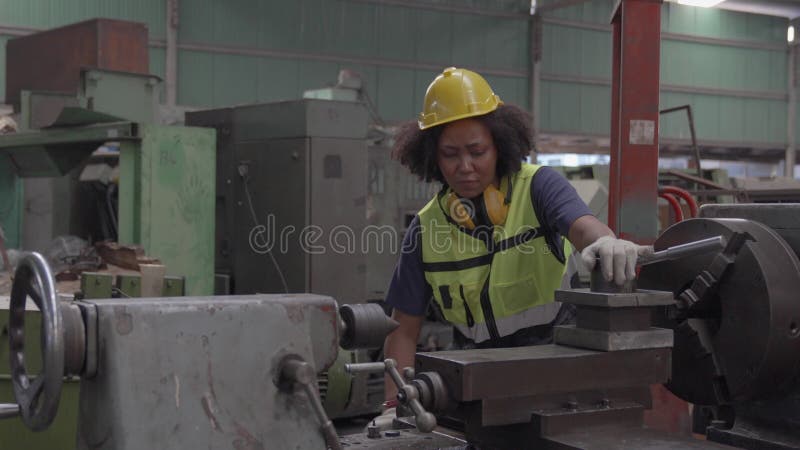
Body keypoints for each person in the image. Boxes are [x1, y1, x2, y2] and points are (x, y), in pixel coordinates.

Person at [375, 67, 652, 426]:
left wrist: (605, 241)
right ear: (431, 156)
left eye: (478, 151)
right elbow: (404, 329)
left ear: (500, 144)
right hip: (476, 378)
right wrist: (393, 408)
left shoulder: (538, 187)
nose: (466, 166)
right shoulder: (425, 229)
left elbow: (582, 226)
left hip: (556, 366)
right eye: (450, 154)